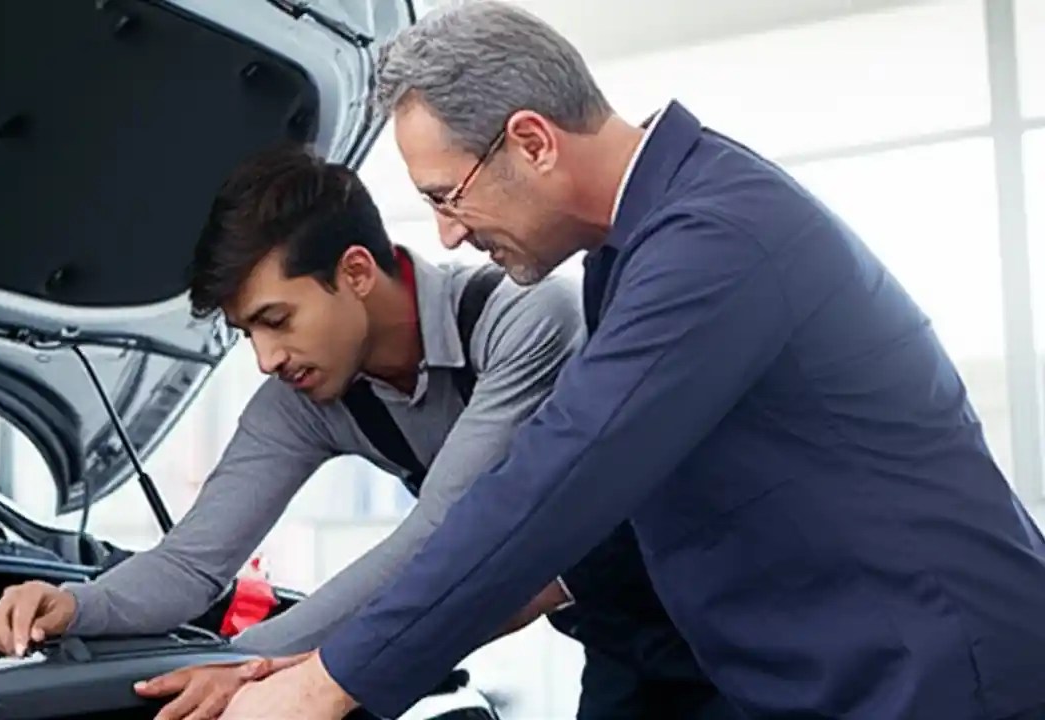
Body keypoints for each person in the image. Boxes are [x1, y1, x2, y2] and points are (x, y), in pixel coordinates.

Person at [219, 3, 1045, 720]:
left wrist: (332, 684)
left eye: (446, 195)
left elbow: (554, 480)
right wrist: (332, 656)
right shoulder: (638, 252)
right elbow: (591, 538)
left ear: (532, 141)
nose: (447, 234)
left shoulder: (715, 240)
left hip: (944, 681)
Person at [0, 143, 729, 719]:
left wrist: (250, 665)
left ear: (358, 271)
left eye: (277, 320)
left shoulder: (525, 319)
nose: (267, 357)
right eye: (248, 332)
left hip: (731, 610)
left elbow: (445, 532)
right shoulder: (302, 395)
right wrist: (78, 604)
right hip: (616, 634)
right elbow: (192, 564)